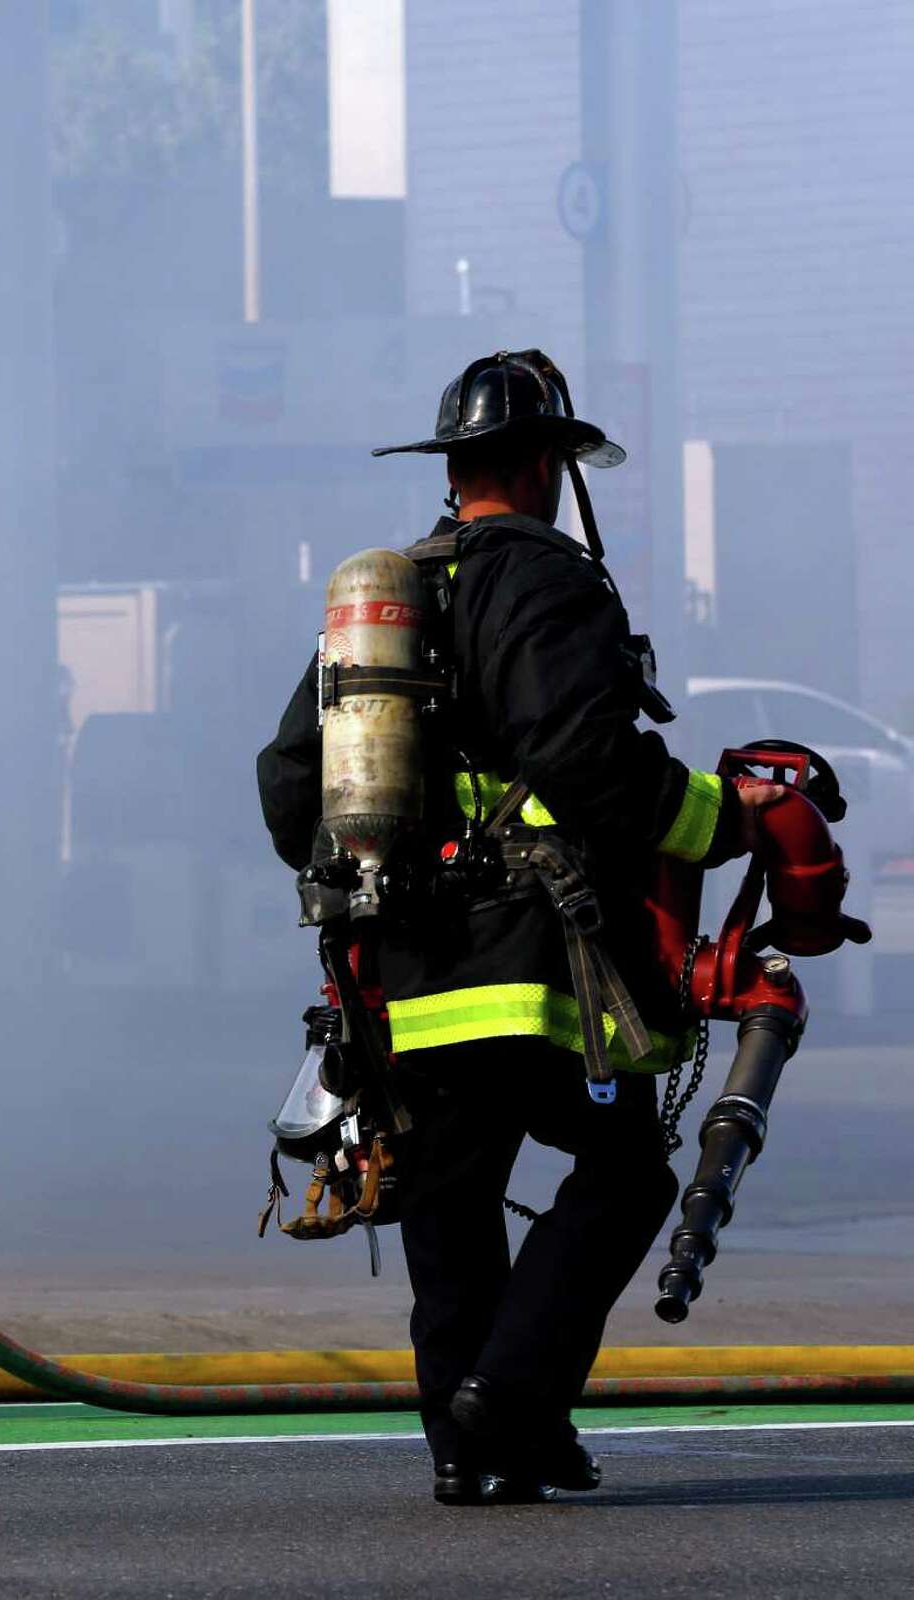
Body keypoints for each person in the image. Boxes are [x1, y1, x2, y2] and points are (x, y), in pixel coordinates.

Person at [254, 352, 784, 1505]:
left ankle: (466, 1440)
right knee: (627, 1172)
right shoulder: (549, 583)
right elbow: (588, 760)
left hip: (403, 972)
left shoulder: (388, 604)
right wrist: (716, 821)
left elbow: (293, 786)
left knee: (448, 1195)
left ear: (456, 469)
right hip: (534, 972)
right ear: (548, 464)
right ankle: (518, 1393)